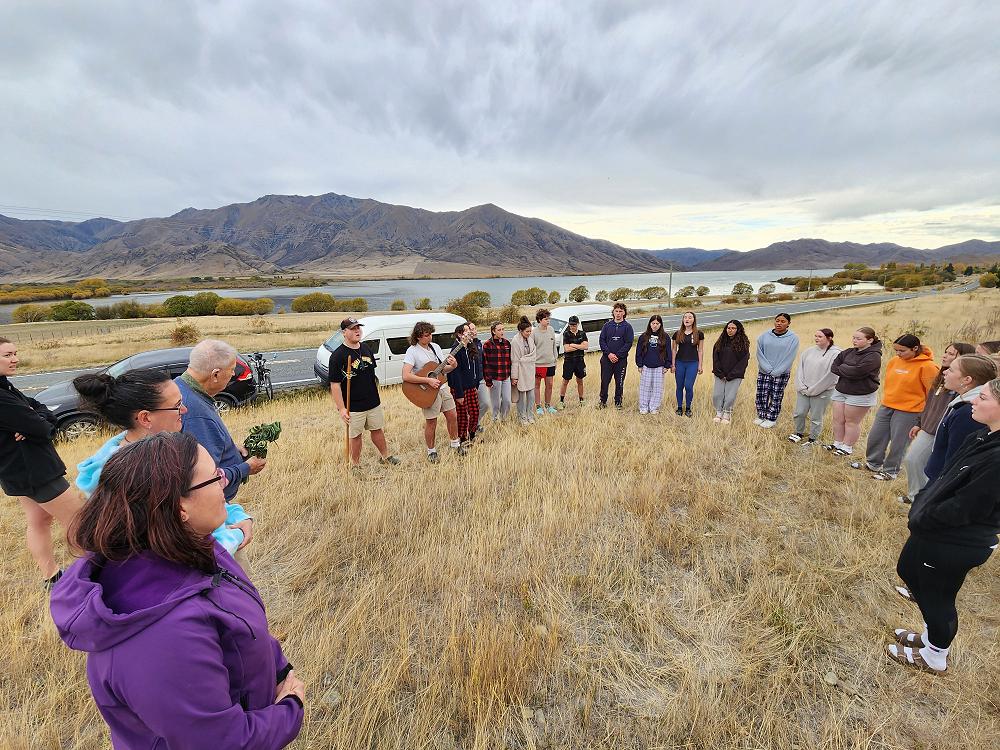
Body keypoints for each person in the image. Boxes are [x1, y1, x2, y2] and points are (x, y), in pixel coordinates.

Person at [50, 432, 305, 747]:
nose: (225, 482)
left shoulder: (197, 547)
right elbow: (220, 742)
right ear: (179, 507)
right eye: (214, 478)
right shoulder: (163, 637)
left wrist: (278, 668)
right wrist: (290, 709)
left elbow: (241, 625)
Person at [74, 368, 254, 559]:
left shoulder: (155, 453)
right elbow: (183, 548)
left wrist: (236, 516)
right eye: (177, 405)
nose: (184, 410)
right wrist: (236, 534)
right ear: (145, 418)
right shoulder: (143, 475)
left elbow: (204, 498)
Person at [887, 377, 1000, 674]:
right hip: (935, 529)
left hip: (957, 539)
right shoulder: (983, 437)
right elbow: (944, 477)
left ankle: (936, 654)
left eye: (984, 398)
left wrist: (924, 517)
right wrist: (923, 503)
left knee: (938, 595)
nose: (974, 400)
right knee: (909, 571)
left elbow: (968, 506)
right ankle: (929, 637)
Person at [0, 337, 83, 586]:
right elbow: (42, 428)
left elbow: (39, 408)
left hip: (19, 469)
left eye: (15, 353)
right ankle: (94, 575)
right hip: (34, 470)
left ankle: (51, 577)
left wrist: (37, 419)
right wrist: (39, 422)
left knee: (39, 520)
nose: (14, 359)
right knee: (79, 521)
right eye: (6, 355)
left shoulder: (6, 386)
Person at [175, 340, 267, 501]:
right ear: (215, 374)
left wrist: (228, 448)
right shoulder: (195, 413)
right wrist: (246, 468)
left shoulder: (179, 387)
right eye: (231, 370)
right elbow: (205, 479)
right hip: (209, 506)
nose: (233, 374)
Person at [852, 334, 938, 480]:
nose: (898, 354)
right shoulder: (894, 361)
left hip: (910, 411)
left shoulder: (928, 366)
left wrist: (923, 416)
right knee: (876, 436)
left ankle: (890, 471)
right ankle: (873, 464)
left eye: (902, 351)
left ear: (915, 348)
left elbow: (933, 394)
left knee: (900, 442)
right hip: (888, 405)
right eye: (896, 350)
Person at [900, 342, 976, 504]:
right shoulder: (943, 376)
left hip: (945, 431)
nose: (945, 356)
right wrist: (919, 422)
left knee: (932, 466)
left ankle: (925, 498)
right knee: (913, 460)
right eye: (946, 352)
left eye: (951, 354)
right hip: (929, 428)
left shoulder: (964, 384)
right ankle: (917, 496)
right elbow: (929, 403)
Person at [328, 318, 400, 468]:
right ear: (344, 332)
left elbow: (371, 373)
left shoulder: (366, 348)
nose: (357, 331)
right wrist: (341, 408)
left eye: (358, 328)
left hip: (372, 401)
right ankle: (355, 464)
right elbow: (335, 385)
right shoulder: (338, 355)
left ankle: (385, 457)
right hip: (353, 405)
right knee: (355, 436)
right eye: (353, 328)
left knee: (377, 430)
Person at [919, 354, 998, 487]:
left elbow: (955, 457)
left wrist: (940, 486)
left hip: (943, 481)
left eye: (951, 370)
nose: (945, 371)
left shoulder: (968, 412)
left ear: (967, 379)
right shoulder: (962, 402)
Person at [402, 321, 464, 463]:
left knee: (453, 416)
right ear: (418, 337)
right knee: (431, 422)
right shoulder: (412, 351)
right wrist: (427, 380)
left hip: (442, 388)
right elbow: (406, 375)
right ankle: (431, 451)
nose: (430, 337)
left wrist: (453, 365)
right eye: (426, 335)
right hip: (428, 391)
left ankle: (455, 444)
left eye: (431, 334)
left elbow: (440, 370)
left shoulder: (435, 347)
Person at [827, 328, 882, 456]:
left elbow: (858, 372)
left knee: (851, 421)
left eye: (858, 339)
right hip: (841, 390)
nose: (854, 341)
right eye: (854, 338)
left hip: (860, 393)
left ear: (870, 340)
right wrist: (848, 369)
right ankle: (838, 443)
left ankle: (847, 447)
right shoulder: (848, 352)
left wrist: (844, 368)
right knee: (838, 419)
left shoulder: (874, 356)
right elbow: (834, 367)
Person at [787, 329, 841, 444]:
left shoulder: (836, 353)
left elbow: (831, 375)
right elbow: (800, 369)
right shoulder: (809, 351)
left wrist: (814, 389)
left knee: (816, 417)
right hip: (804, 390)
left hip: (823, 391)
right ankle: (798, 432)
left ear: (829, 338)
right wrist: (801, 386)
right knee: (799, 413)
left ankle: (813, 438)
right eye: (815, 336)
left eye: (820, 336)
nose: (816, 338)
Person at [754, 313, 800, 428]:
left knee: (776, 395)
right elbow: (759, 353)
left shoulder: (793, 338)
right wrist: (767, 368)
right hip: (764, 370)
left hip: (781, 372)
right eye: (777, 320)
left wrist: (777, 371)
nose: (779, 323)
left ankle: (771, 418)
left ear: (788, 323)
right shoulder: (764, 336)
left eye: (783, 321)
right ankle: (762, 415)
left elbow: (790, 357)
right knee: (761, 394)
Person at [711, 320, 750, 424]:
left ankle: (727, 413)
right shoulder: (720, 342)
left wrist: (731, 375)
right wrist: (720, 373)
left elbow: (743, 361)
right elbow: (715, 358)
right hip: (720, 374)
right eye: (728, 328)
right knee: (717, 394)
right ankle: (719, 412)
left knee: (730, 396)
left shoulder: (743, 344)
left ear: (738, 330)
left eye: (733, 328)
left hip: (735, 375)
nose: (730, 330)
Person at [446, 323, 478, 446]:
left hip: (471, 387)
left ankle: (472, 435)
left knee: (475, 412)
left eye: (470, 330)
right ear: (459, 334)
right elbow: (455, 374)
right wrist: (459, 394)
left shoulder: (470, 346)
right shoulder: (456, 350)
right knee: (462, 416)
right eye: (466, 331)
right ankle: (462, 439)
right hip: (460, 389)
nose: (470, 332)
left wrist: (475, 383)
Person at [598, 302, 634, 409]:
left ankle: (618, 402)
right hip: (606, 359)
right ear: (613, 312)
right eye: (616, 311)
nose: (618, 313)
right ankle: (603, 401)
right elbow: (602, 340)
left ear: (624, 313)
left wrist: (617, 355)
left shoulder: (627, 327)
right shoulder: (607, 326)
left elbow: (628, 343)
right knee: (605, 381)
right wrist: (609, 354)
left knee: (619, 382)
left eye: (620, 311)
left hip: (620, 360)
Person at [671, 311, 704, 417]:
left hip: (693, 363)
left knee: (688, 386)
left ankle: (688, 408)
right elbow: (674, 350)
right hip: (680, 362)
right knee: (679, 386)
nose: (687, 319)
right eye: (685, 317)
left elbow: (700, 350)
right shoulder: (677, 333)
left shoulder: (699, 334)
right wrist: (673, 364)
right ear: (682, 320)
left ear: (694, 320)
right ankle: (680, 408)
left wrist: (700, 365)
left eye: (690, 317)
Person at [635, 315, 670, 414]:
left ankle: (654, 407)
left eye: (657, 324)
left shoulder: (665, 337)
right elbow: (639, 351)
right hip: (646, 366)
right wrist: (640, 364)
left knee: (657, 388)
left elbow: (668, 351)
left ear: (660, 324)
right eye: (653, 323)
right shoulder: (644, 336)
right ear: (650, 324)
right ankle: (643, 407)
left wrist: (667, 365)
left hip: (659, 366)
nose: (655, 325)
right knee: (645, 387)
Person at [511, 316, 538, 424]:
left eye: (530, 331)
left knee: (531, 395)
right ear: (521, 331)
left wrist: (525, 359)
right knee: (521, 396)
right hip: (521, 372)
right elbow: (515, 360)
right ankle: (522, 417)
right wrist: (514, 377)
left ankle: (530, 415)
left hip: (530, 371)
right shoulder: (515, 341)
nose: (529, 333)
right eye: (527, 331)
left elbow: (534, 355)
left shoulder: (531, 339)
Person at [483, 321, 512, 420]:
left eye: (503, 329)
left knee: (507, 400)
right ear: (493, 331)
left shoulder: (507, 343)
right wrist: (488, 380)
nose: (502, 332)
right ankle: (495, 419)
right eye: (499, 330)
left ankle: (504, 419)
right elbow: (485, 364)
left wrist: (511, 375)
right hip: (494, 377)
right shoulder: (487, 345)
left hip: (506, 376)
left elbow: (510, 361)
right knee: (496, 403)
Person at [559, 315, 589, 408]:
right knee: (565, 381)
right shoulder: (566, 334)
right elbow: (566, 349)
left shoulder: (582, 333)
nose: (573, 326)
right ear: (569, 324)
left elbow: (586, 347)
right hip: (569, 361)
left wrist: (573, 344)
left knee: (580, 380)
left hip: (580, 360)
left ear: (578, 324)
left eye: (574, 325)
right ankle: (561, 401)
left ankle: (581, 400)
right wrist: (579, 345)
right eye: (571, 325)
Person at [533, 309, 558, 415]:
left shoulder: (551, 329)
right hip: (538, 364)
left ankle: (548, 405)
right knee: (537, 385)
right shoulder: (534, 332)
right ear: (539, 320)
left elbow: (554, 346)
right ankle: (538, 406)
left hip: (550, 363)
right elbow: (532, 349)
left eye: (549, 319)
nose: (548, 321)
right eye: (546, 319)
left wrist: (555, 360)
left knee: (550, 385)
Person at [467, 322, 491, 430]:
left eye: (475, 328)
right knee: (472, 407)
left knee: (485, 403)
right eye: (471, 329)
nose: (474, 331)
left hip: (480, 379)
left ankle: (474, 423)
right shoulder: (465, 346)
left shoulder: (479, 343)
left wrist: (486, 377)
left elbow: (482, 362)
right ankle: (472, 426)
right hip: (470, 381)